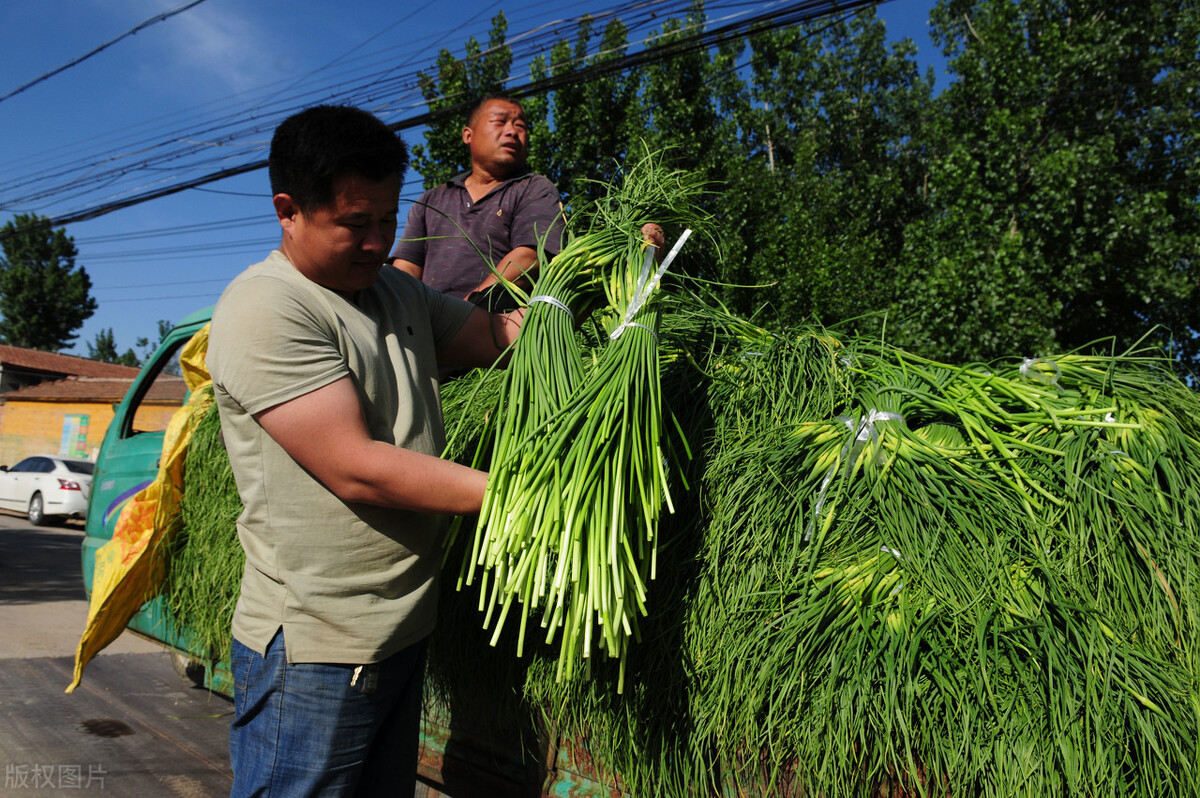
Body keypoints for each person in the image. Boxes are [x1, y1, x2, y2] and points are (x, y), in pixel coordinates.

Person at [205, 104, 527, 797]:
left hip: (402, 629)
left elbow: (498, 338)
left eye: (388, 220)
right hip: (318, 646)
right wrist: (526, 497)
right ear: (289, 210)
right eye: (355, 223)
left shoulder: (395, 291)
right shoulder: (268, 307)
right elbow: (358, 468)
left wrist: (597, 290)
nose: (378, 241)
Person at [389, 94, 565, 310]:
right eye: (500, 122)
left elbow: (531, 256)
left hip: (500, 327)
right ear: (468, 135)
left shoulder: (534, 188)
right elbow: (406, 267)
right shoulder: (432, 199)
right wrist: (407, 315)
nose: (512, 132)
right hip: (427, 325)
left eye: (520, 126)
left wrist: (463, 311)